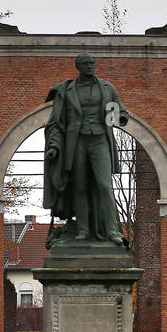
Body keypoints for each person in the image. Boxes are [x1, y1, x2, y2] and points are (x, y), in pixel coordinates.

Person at [43, 52, 129, 246]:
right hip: (77, 142)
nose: (90, 66)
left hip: (99, 140)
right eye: (85, 63)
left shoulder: (107, 88)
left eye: (92, 63)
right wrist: (54, 145)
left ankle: (112, 230)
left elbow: (118, 110)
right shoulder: (67, 91)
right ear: (78, 66)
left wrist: (120, 117)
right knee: (79, 186)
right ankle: (82, 230)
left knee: (105, 185)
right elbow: (56, 122)